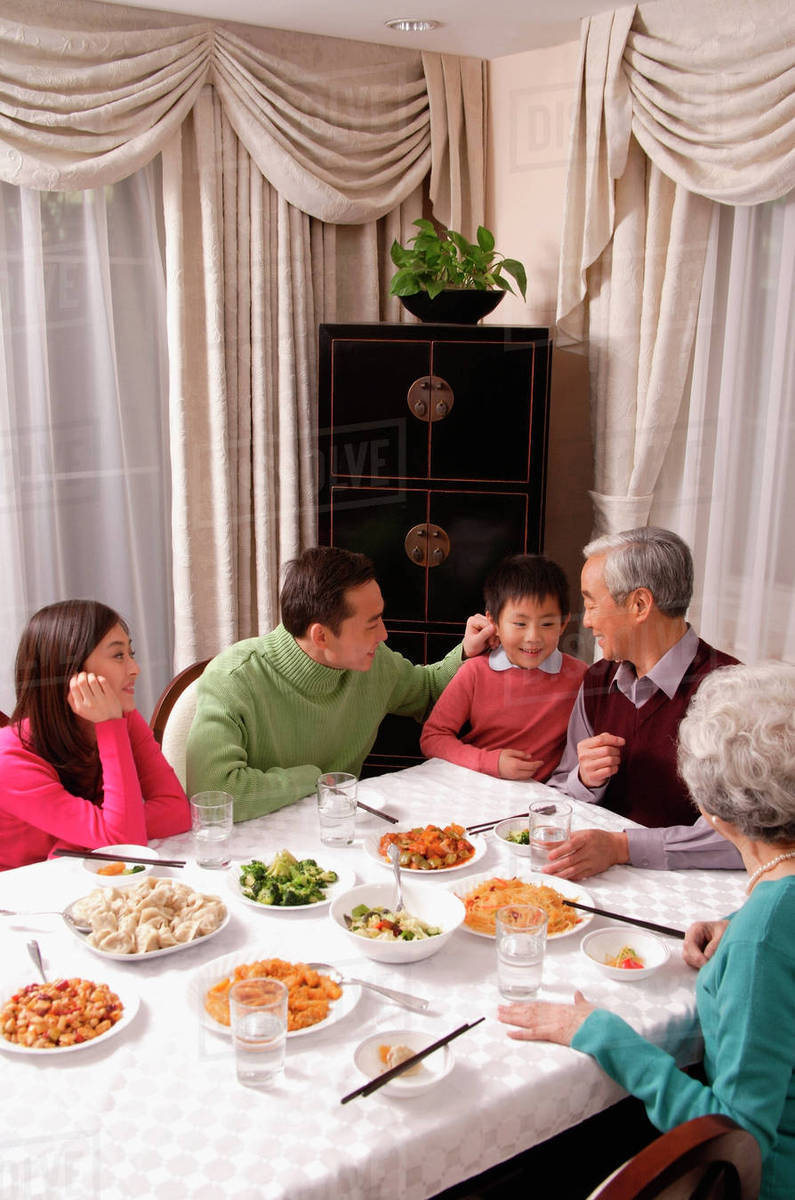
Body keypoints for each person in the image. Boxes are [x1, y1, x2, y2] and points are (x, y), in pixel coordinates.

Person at [499, 662, 795, 1200]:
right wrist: (732, 923)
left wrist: (602, 1034)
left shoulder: (763, 941)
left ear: (713, 810)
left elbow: (739, 1139)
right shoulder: (769, 912)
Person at [186, 546, 495, 821]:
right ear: (321, 635)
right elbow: (215, 792)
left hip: (340, 833)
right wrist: (314, 779)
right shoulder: (234, 679)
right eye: (371, 624)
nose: (383, 634)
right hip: (256, 851)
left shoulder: (374, 665)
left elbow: (428, 691)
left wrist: (467, 651)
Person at [546, 527, 740, 879]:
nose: (586, 620)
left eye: (591, 603)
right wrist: (586, 781)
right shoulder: (597, 681)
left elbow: (746, 836)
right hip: (599, 878)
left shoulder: (731, 693)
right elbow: (560, 793)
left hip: (691, 893)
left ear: (639, 605)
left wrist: (622, 847)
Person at [0, 600, 190, 871]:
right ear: (72, 672)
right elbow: (126, 839)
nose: (135, 669)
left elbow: (177, 812)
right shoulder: (8, 761)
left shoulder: (118, 716)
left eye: (130, 653)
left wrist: (74, 844)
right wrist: (111, 727)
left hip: (80, 880)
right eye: (118, 656)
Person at [420, 555, 587, 780]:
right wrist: (491, 762)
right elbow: (432, 737)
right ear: (494, 623)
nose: (533, 637)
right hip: (477, 785)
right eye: (520, 623)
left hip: (541, 800)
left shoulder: (580, 677)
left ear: (564, 623)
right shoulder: (475, 672)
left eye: (547, 624)